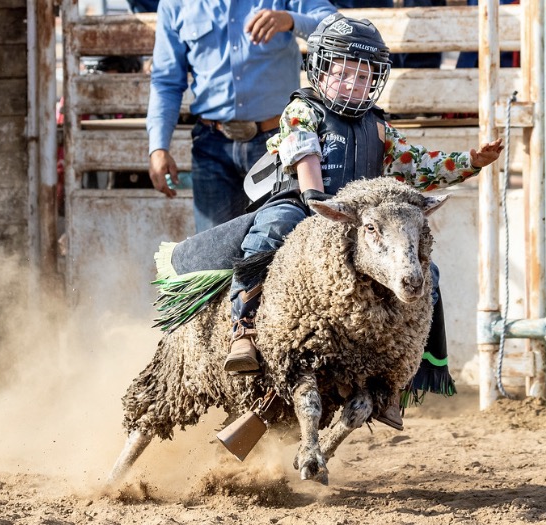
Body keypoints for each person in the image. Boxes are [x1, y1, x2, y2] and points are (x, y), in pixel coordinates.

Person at [224, 13, 503, 430]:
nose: (352, 84)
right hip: (306, 208)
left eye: (362, 77)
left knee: (426, 273)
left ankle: (399, 377)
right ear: (320, 70)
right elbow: (303, 153)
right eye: (342, 74)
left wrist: (469, 162)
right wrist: (317, 199)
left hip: (364, 228)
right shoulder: (303, 110)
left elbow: (420, 165)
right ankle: (242, 326)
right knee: (272, 230)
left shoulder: (379, 127)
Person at [147, 0, 337, 233]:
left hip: (277, 145)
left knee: (278, 245)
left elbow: (333, 24)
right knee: (213, 256)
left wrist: (291, 20)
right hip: (211, 148)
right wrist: (158, 148)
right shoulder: (175, 5)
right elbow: (166, 82)